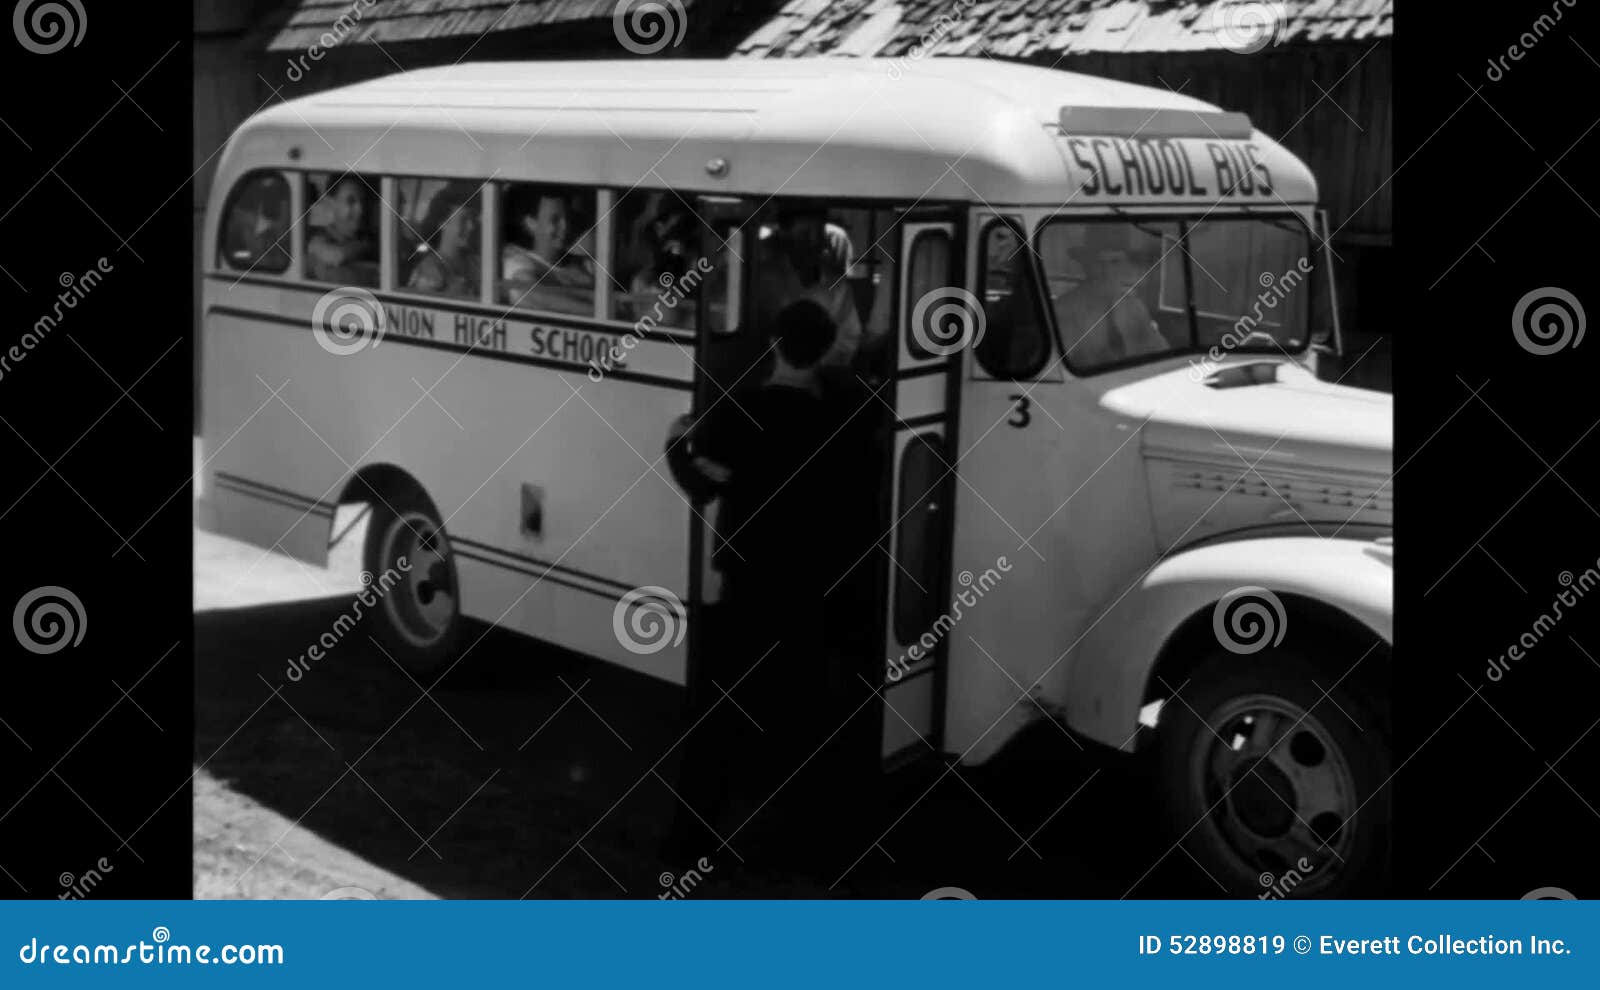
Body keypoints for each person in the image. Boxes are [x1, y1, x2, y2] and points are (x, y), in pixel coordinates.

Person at [661, 299, 868, 873]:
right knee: (801, 715)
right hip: (811, 591)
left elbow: (701, 485)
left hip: (749, 587)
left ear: (773, 342)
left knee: (717, 723)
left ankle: (689, 846)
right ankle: (805, 848)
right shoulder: (842, 418)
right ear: (826, 349)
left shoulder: (741, 411)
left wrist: (677, 443)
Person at [755, 202, 862, 371]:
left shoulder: (838, 285)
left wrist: (814, 365)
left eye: (819, 233)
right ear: (784, 235)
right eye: (804, 234)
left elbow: (849, 339)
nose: (814, 241)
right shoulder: (764, 279)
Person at [1057, 223, 1170, 366]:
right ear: (1087, 265)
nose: (1107, 271)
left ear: (1125, 265)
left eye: (1115, 262)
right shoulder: (1065, 311)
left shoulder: (1133, 307)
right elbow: (1062, 371)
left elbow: (1161, 354)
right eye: (1099, 262)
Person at [500, 184, 592, 310]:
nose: (565, 226)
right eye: (555, 220)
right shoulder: (518, 262)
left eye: (568, 218)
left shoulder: (582, 264)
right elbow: (529, 294)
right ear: (531, 223)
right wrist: (601, 311)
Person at [405, 185, 479, 297]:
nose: (471, 226)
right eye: (464, 219)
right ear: (443, 223)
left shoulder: (475, 263)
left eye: (473, 218)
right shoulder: (429, 273)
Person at [306, 174, 377, 283]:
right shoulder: (318, 240)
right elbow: (335, 256)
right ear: (331, 203)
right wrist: (363, 246)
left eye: (363, 202)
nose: (360, 210)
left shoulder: (372, 238)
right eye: (351, 201)